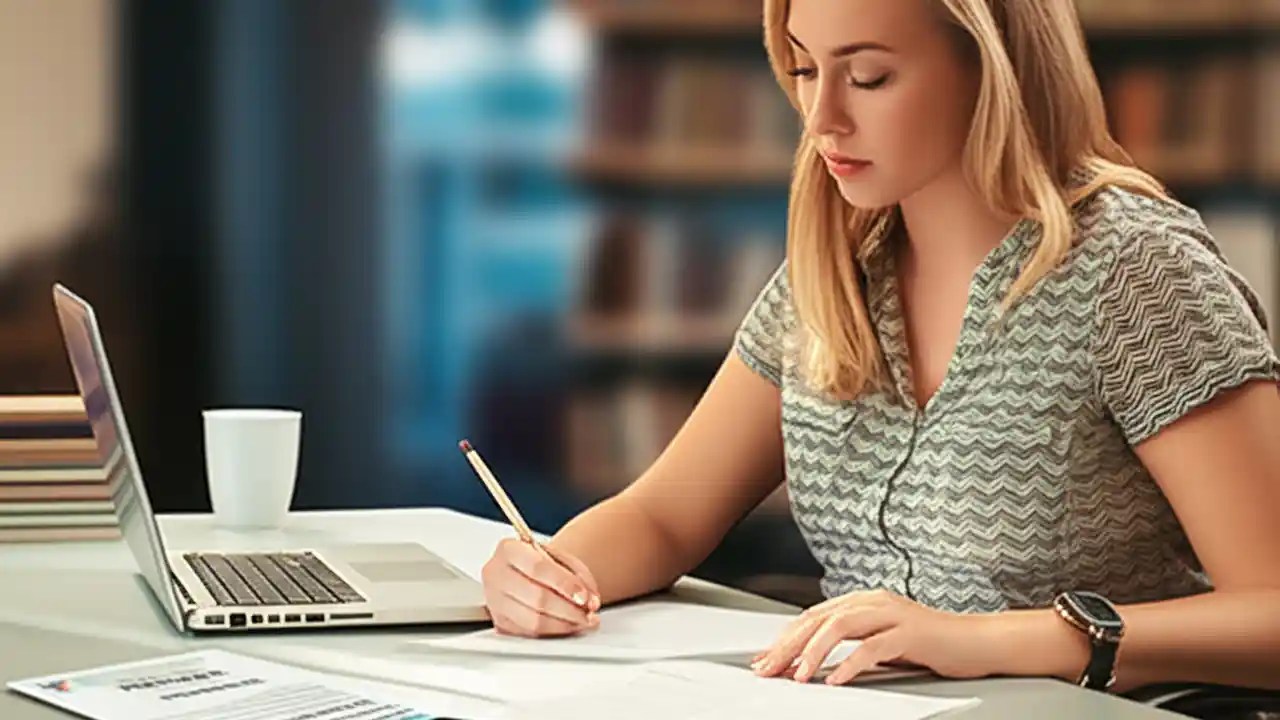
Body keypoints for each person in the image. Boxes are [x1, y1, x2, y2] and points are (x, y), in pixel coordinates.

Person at [480, 0, 1280, 694]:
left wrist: (986, 642)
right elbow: (662, 517)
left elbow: (1271, 615)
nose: (822, 117)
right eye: (802, 69)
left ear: (991, 70)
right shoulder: (832, 269)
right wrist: (556, 572)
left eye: (867, 78)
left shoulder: (1139, 276)